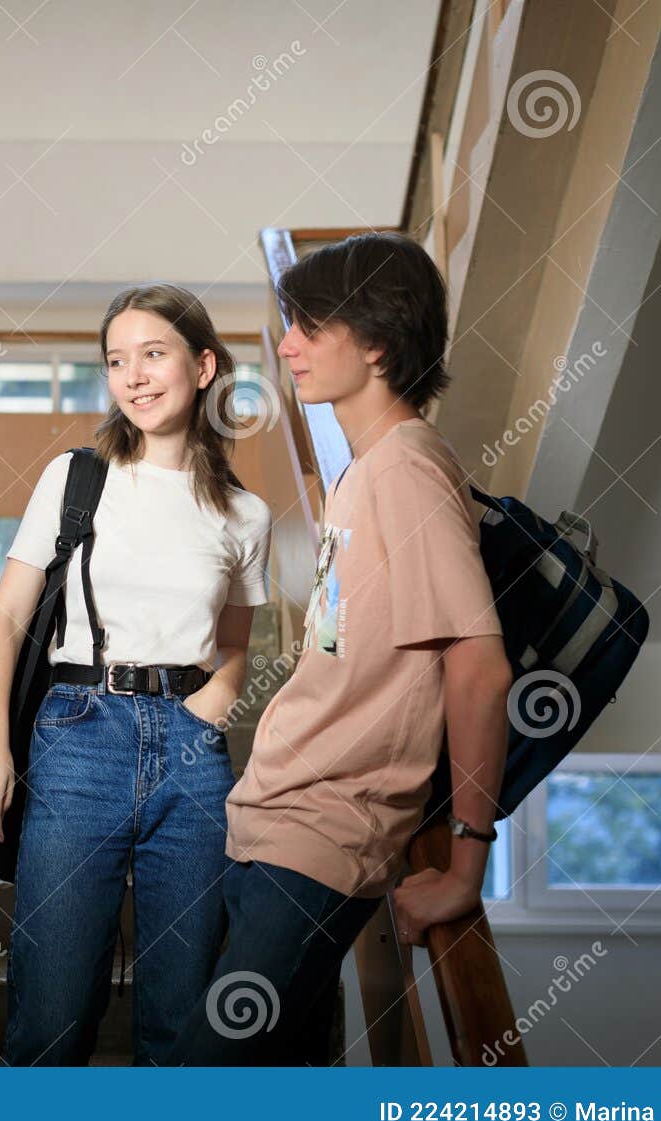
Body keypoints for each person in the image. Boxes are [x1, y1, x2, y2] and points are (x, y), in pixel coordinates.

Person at [171, 232, 512, 1065]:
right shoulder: (367, 471)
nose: (286, 346)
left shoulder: (406, 470)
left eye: (309, 327)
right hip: (278, 820)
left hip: (323, 837)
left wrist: (467, 865)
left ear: (377, 343)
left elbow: (479, 666)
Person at [0, 283, 272, 1066]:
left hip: (193, 754)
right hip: (78, 734)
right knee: (54, 1006)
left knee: (180, 1015)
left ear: (204, 367)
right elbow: (4, 619)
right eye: (116, 360)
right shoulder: (76, 477)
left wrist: (210, 709)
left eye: (154, 354)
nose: (133, 375)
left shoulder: (246, 514)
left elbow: (236, 643)